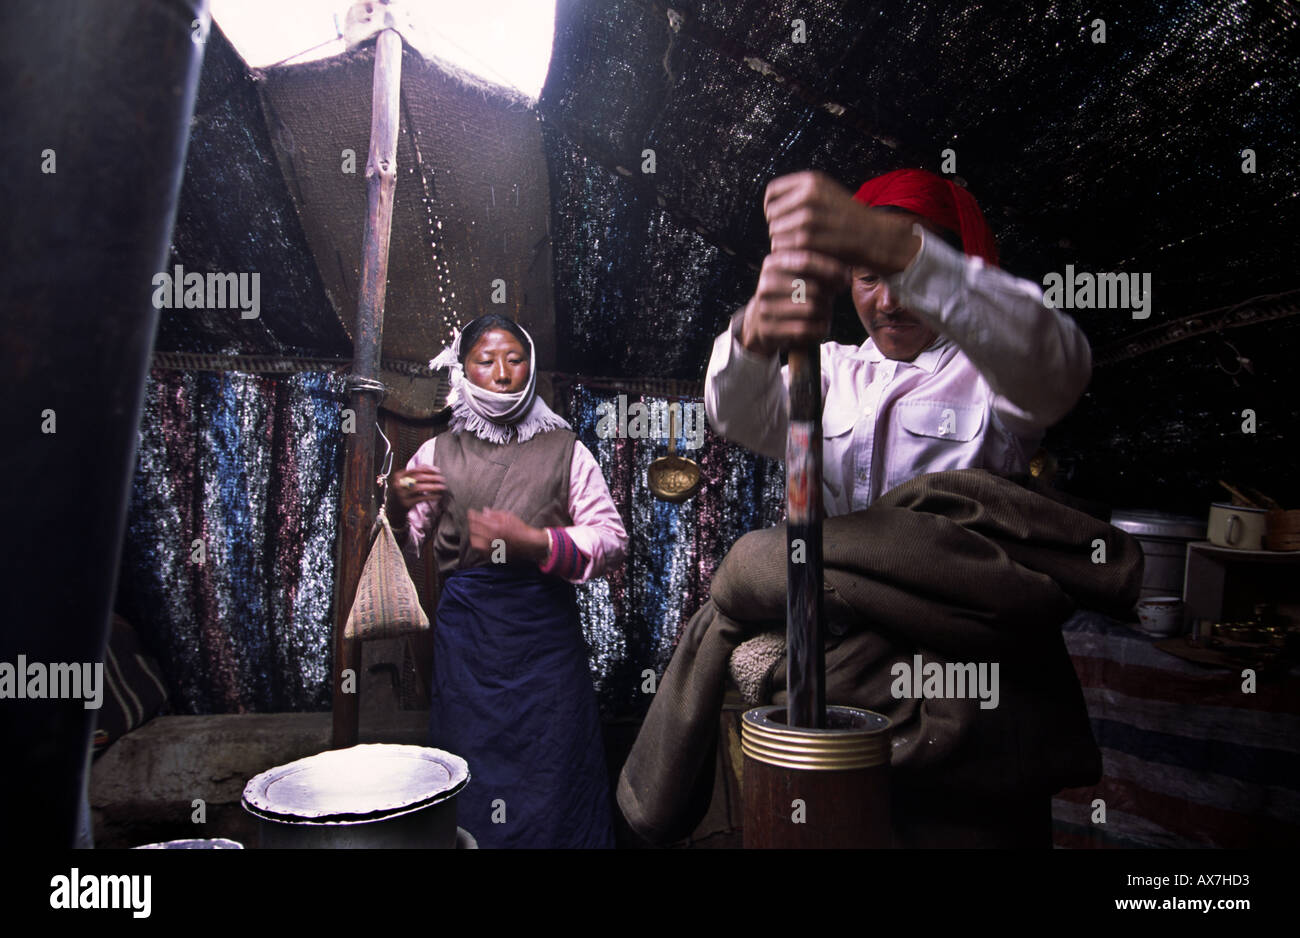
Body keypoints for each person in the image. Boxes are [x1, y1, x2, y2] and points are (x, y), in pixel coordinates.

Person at [705, 168, 1092, 512]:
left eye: (905, 279)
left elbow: (1053, 368)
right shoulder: (830, 370)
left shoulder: (992, 374)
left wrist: (892, 246)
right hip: (837, 589)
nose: (889, 304)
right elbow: (739, 416)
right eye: (869, 278)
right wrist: (753, 337)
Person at [388, 313, 627, 848]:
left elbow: (612, 541)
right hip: (469, 647)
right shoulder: (437, 454)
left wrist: (537, 543)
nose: (502, 374)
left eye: (515, 359)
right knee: (470, 774)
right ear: (463, 370)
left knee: (556, 774)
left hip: (545, 645)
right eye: (486, 360)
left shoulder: (567, 450)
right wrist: (395, 505)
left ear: (532, 368)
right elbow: (403, 551)